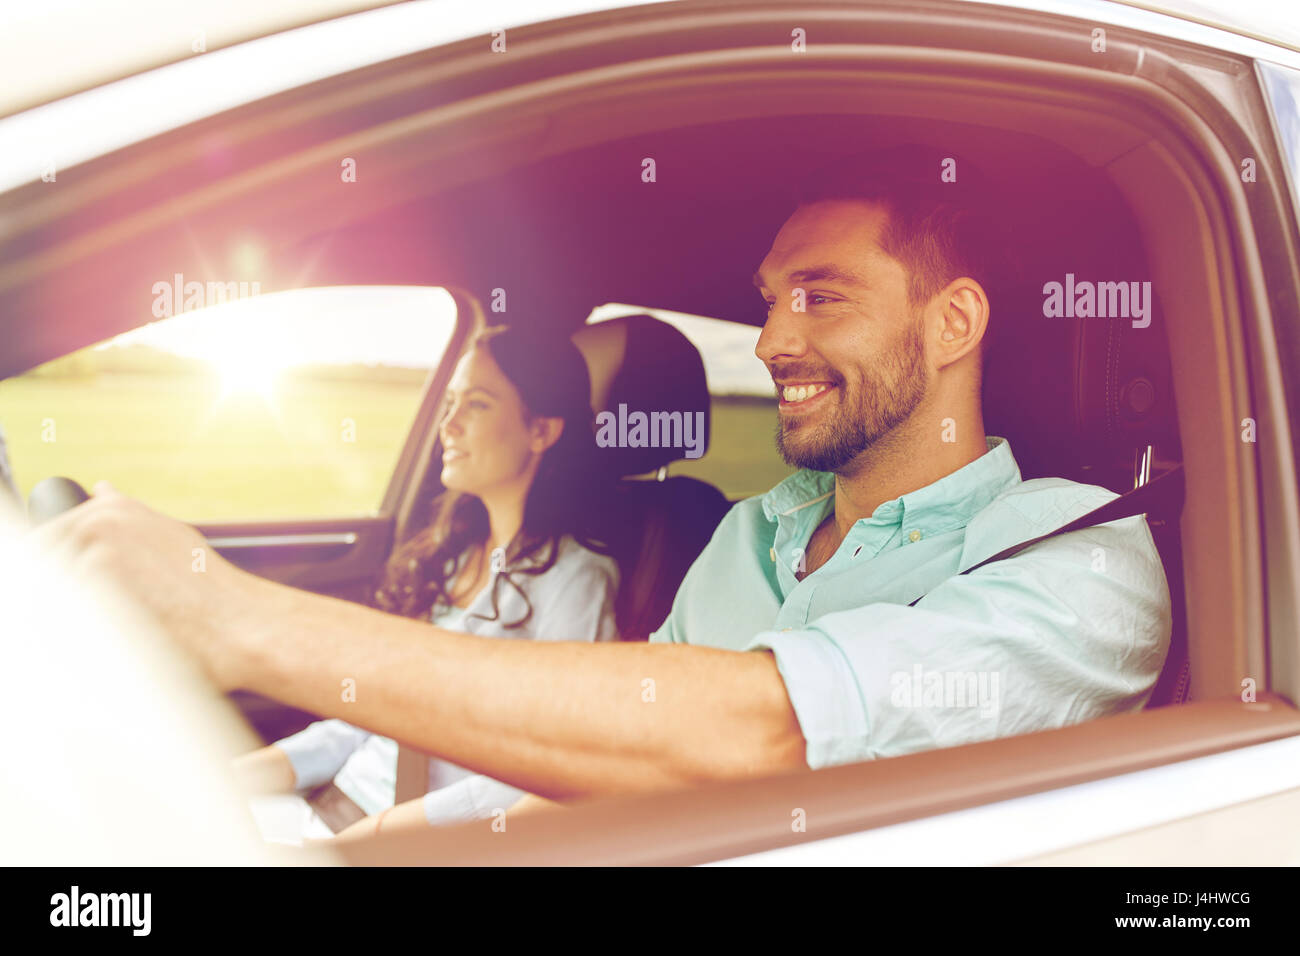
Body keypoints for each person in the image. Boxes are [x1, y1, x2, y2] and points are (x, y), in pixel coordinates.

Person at [34, 145, 1171, 814]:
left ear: (954, 320)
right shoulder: (747, 535)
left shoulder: (1077, 564)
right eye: (769, 297)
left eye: (819, 295)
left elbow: (772, 732)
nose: (773, 340)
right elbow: (614, 737)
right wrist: (373, 843)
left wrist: (242, 621)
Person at [233, 324, 620, 840]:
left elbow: (555, 775)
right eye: (450, 403)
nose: (449, 424)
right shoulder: (453, 556)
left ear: (542, 431)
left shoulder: (576, 581)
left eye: (477, 405)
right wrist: (237, 777)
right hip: (327, 811)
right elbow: (373, 716)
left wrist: (386, 834)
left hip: (408, 843)